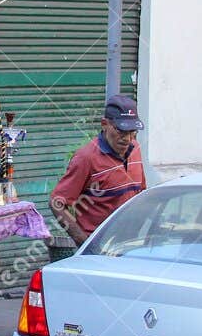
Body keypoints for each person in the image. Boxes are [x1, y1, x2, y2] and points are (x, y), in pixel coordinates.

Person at [49, 95, 147, 247]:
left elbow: (141, 192)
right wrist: (84, 241)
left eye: (132, 131)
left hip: (131, 245)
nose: (127, 138)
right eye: (120, 130)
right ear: (104, 124)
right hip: (99, 250)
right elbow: (57, 203)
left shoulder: (136, 149)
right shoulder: (86, 158)